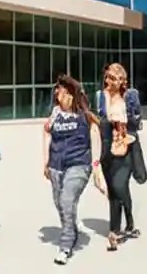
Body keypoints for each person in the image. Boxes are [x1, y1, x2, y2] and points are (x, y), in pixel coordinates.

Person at [44, 75, 106, 265]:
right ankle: (71, 226)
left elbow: (95, 137)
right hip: (56, 165)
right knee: (60, 203)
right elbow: (46, 132)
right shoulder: (55, 113)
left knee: (66, 199)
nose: (57, 93)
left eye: (60, 89)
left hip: (79, 164)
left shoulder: (84, 115)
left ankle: (65, 245)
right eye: (56, 89)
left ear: (70, 93)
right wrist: (45, 161)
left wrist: (96, 166)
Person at [97, 63, 147, 249]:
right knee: (114, 192)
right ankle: (125, 222)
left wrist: (124, 121)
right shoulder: (100, 96)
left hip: (126, 146)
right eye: (109, 77)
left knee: (119, 185)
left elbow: (137, 121)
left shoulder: (130, 95)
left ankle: (115, 231)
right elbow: (99, 120)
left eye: (116, 78)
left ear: (123, 80)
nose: (112, 82)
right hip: (108, 148)